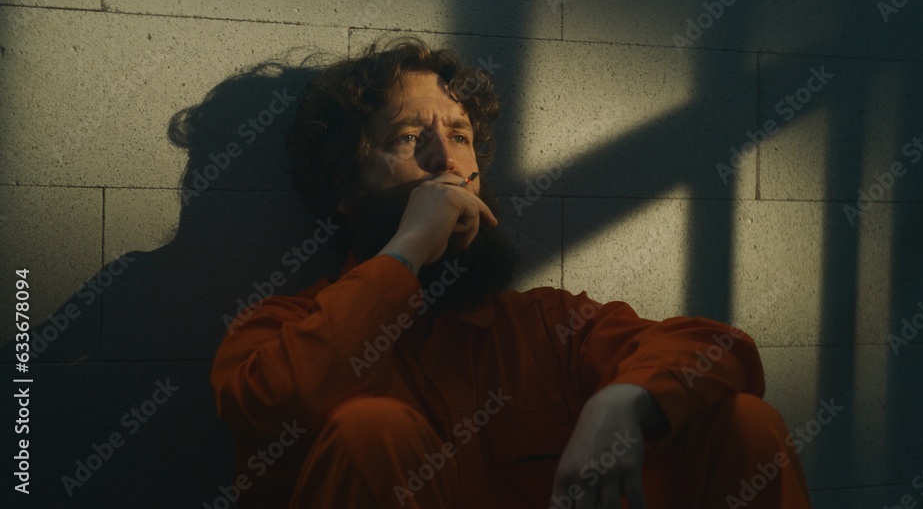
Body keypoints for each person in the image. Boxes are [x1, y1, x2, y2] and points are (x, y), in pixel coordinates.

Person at [210, 36, 812, 508]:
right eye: (408, 137)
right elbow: (272, 401)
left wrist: (626, 401)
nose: (446, 160)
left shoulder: (546, 327)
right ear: (344, 188)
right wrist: (410, 248)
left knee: (743, 422)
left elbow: (719, 349)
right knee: (373, 429)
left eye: (460, 135)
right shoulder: (284, 327)